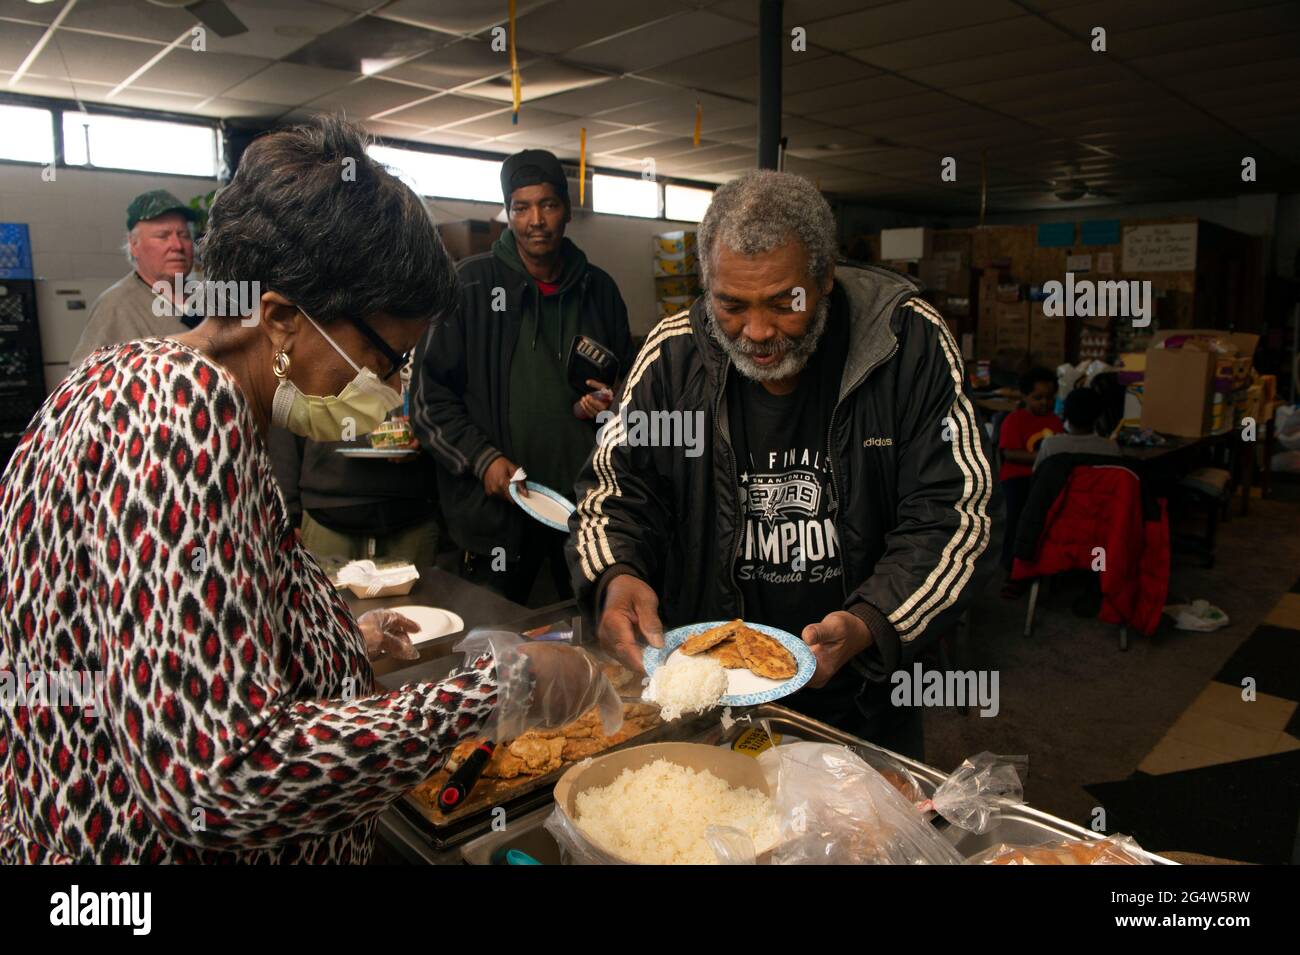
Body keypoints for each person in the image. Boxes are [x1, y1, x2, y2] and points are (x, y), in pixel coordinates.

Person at [0, 117, 615, 865]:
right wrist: (491, 691)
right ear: (283, 319)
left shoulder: (137, 383)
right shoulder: (181, 418)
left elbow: (160, 651)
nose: (393, 389)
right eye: (386, 357)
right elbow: (214, 778)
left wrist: (328, 645)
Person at [565, 170, 999, 758]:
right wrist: (616, 576)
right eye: (732, 306)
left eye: (783, 303)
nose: (759, 333)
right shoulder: (672, 358)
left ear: (825, 277)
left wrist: (871, 621)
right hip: (712, 695)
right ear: (707, 285)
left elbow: (955, 514)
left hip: (863, 699)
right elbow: (614, 495)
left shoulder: (904, 344)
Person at [412, 148, 631, 606]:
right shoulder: (470, 287)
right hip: (498, 519)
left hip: (582, 513)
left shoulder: (600, 291)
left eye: (548, 205)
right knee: (494, 646)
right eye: (521, 207)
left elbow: (630, 392)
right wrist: (483, 459)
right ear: (508, 213)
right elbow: (429, 402)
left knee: (584, 644)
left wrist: (610, 407)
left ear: (567, 211)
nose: (536, 220)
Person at [68, 189, 201, 366]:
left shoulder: (205, 297)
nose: (177, 245)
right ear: (133, 245)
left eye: (184, 235)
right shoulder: (116, 305)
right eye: (163, 236)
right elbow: (83, 378)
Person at [997, 366, 1063, 597]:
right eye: (1038, 398)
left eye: (1049, 398)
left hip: (1044, 480)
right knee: (1018, 519)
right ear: (1024, 396)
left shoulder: (1055, 422)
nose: (1044, 403)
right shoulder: (1015, 421)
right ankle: (1012, 569)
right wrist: (1044, 457)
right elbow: (1010, 453)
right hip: (1018, 479)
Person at [1034, 386, 1120, 470]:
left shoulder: (1050, 445)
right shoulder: (1111, 447)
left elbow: (1038, 476)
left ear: (1065, 413)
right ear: (1098, 416)